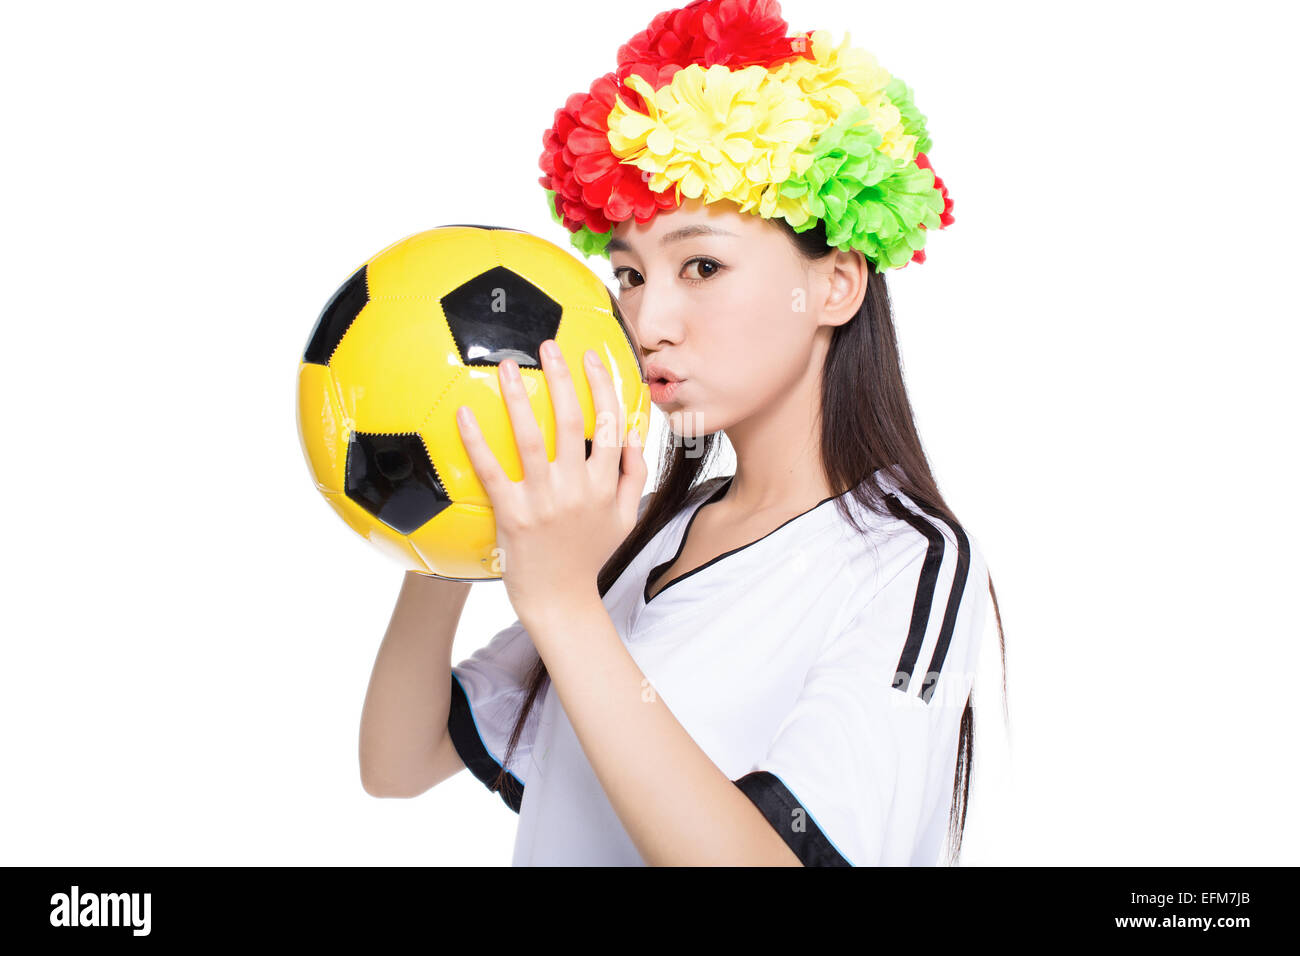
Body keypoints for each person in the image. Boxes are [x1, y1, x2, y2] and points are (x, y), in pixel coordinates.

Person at [359, 0, 1008, 867]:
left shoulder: (906, 562)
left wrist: (560, 604)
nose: (646, 319)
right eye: (628, 272)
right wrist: (463, 509)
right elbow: (398, 763)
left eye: (701, 265)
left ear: (835, 287)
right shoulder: (641, 534)